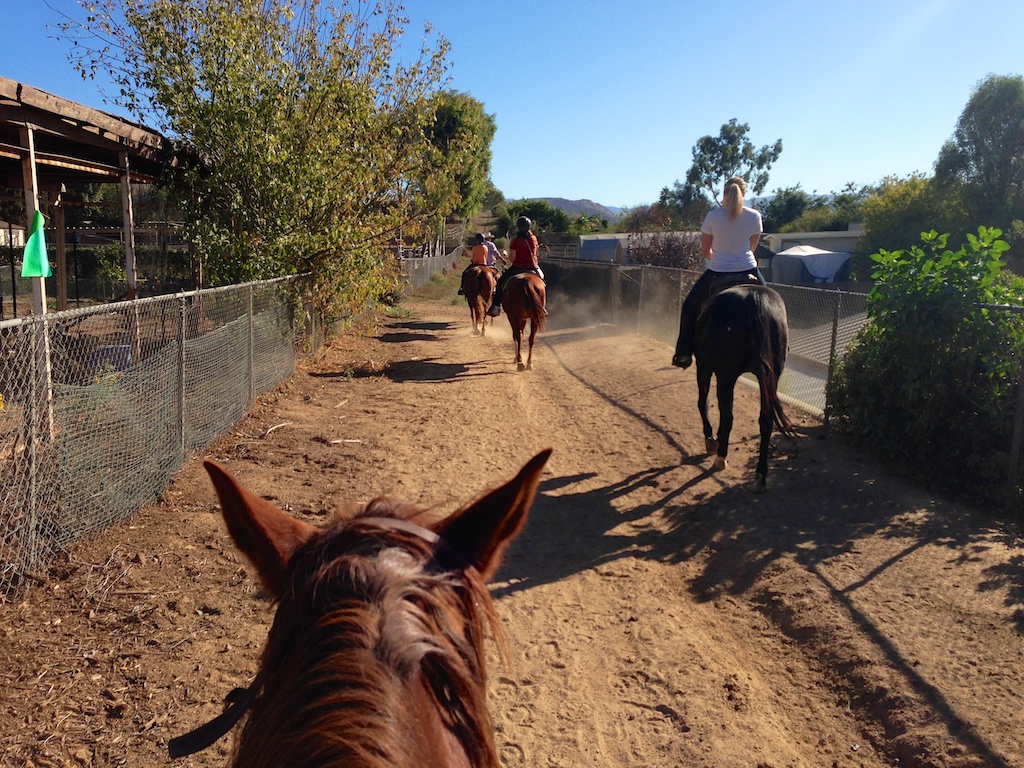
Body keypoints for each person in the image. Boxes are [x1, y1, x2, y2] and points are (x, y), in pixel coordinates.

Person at [671, 175, 766, 369]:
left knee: (689, 307)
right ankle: (776, 348)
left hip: (718, 271)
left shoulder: (713, 216)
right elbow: (752, 248)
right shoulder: (754, 216)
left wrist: (722, 257)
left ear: (724, 193)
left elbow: (706, 251)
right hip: (748, 269)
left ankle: (683, 354)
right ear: (744, 193)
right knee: (773, 305)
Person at [486, 217, 547, 316]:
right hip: (532, 267)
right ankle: (542, 307)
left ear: (518, 227)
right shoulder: (534, 238)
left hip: (517, 267)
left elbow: (512, 259)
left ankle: (496, 306)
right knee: (543, 283)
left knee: (500, 283)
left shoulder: (515, 241)